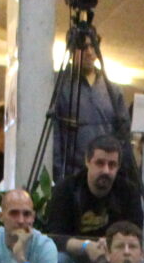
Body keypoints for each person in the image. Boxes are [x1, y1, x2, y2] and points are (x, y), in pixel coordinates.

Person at [49, 39, 127, 189]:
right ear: (71, 51)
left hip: (105, 178)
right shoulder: (58, 85)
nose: (89, 52)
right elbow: (54, 135)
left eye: (93, 46)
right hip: (71, 177)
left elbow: (123, 136)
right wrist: (59, 176)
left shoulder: (112, 90)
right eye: (83, 47)